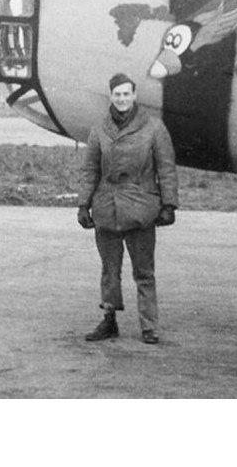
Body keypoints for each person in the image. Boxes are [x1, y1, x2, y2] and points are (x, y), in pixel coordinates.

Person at [77, 73, 179, 344]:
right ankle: (109, 320)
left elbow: (166, 168)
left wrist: (169, 204)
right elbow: (90, 169)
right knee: (109, 270)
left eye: (126, 94)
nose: (121, 99)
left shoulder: (154, 127)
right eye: (117, 94)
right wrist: (83, 204)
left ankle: (149, 326)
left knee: (144, 272)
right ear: (111, 96)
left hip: (141, 209)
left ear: (134, 96)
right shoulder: (99, 129)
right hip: (106, 208)